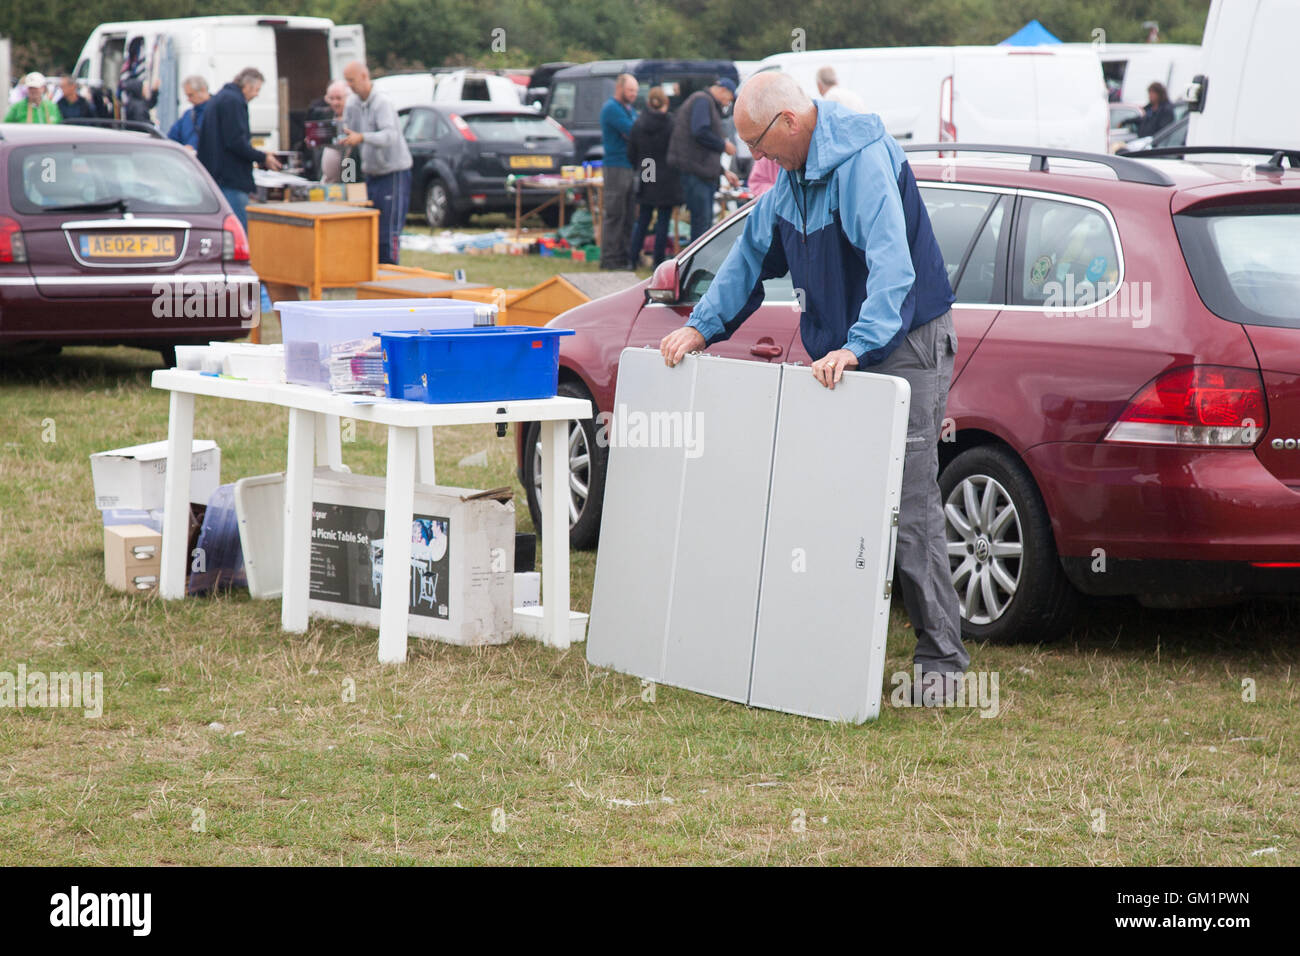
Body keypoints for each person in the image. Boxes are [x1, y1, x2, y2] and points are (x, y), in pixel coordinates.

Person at [659, 72, 969, 702]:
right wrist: (700, 328)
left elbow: (893, 270)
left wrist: (856, 346)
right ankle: (836, 640)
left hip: (905, 340)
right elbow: (749, 256)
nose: (755, 158)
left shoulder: (863, 164)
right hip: (845, 352)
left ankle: (943, 660)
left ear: (790, 124)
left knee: (909, 503)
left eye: (758, 144)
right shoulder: (790, 179)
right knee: (834, 499)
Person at [340, 61, 413, 265]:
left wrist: (362, 137)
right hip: (371, 173)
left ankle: (391, 273)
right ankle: (373, 275)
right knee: (371, 230)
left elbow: (390, 136)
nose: (350, 86)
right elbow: (349, 133)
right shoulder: (353, 103)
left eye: (352, 80)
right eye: (346, 81)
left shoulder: (382, 103)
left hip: (393, 172)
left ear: (364, 76)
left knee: (388, 231)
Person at [197, 67, 283, 230]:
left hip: (216, 176)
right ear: (248, 86)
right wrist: (262, 157)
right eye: (257, 90)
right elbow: (235, 141)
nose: (256, 95)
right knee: (238, 232)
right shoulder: (234, 101)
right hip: (231, 179)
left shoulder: (220, 98)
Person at [667, 77, 740, 245]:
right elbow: (700, 131)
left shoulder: (704, 101)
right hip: (696, 174)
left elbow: (702, 148)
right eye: (730, 97)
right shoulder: (702, 101)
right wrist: (723, 145)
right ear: (723, 90)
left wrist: (723, 172)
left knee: (703, 222)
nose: (729, 102)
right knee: (702, 223)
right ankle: (697, 266)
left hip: (699, 172)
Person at [627, 86, 681, 268]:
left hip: (647, 170)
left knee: (643, 218)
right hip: (667, 175)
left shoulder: (639, 123)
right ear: (665, 103)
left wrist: (641, 167)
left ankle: (632, 259)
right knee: (663, 221)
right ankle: (658, 260)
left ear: (649, 103)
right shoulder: (672, 123)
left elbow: (631, 153)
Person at [599, 73, 639, 270]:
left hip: (629, 166)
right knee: (615, 213)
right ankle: (609, 258)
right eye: (631, 90)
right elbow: (633, 131)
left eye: (636, 91)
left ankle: (624, 257)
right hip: (616, 166)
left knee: (628, 214)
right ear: (620, 88)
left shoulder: (628, 109)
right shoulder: (612, 109)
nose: (634, 94)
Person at [167, 76, 210, 150]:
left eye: (191, 95)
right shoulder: (188, 115)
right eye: (187, 96)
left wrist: (194, 147)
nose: (188, 100)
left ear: (203, 90)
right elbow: (172, 138)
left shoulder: (217, 113)